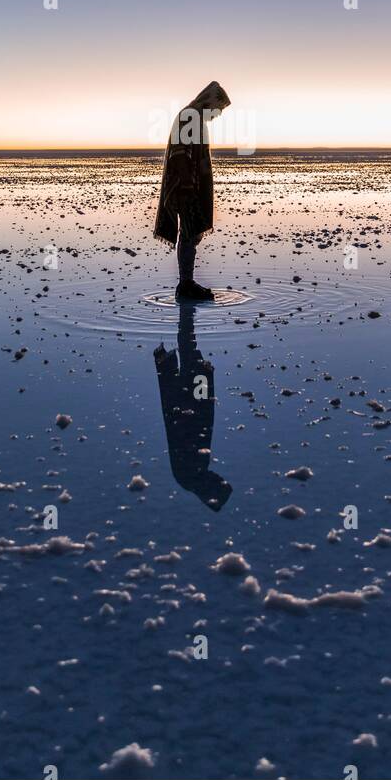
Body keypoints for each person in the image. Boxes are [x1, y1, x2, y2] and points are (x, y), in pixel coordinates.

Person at [154, 81, 231, 300]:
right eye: (218, 109)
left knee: (190, 233)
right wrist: (187, 188)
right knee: (188, 233)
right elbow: (179, 154)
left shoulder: (194, 117)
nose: (217, 114)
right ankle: (185, 284)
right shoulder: (190, 116)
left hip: (188, 187)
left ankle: (186, 281)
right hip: (184, 188)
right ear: (210, 101)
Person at [153, 302, 232, 510]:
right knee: (190, 350)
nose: (217, 476)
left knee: (189, 350)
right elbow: (199, 426)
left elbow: (195, 424)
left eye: (218, 481)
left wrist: (204, 384)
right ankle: (185, 315)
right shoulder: (191, 476)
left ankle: (185, 314)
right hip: (186, 399)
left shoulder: (190, 474)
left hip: (187, 400)